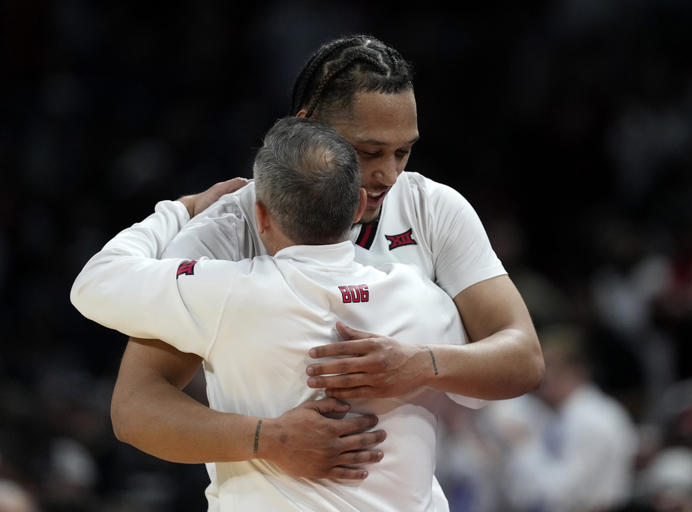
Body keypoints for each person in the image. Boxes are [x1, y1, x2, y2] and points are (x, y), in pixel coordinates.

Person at [108, 33, 543, 484]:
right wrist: (267, 438)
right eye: (368, 152)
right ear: (306, 128)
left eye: (403, 151)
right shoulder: (231, 223)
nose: (389, 174)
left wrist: (421, 365)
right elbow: (136, 408)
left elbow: (523, 358)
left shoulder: (433, 208)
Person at [72, 116, 484, 511]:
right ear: (358, 205)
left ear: (262, 215)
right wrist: (421, 365)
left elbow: (94, 283)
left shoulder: (228, 292)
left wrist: (182, 209)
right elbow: (481, 391)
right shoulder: (425, 299)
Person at [479, 324, 638, 512]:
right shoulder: (556, 415)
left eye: (550, 366)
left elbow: (559, 497)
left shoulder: (595, 420)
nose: (539, 374)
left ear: (576, 370)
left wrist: (523, 445)